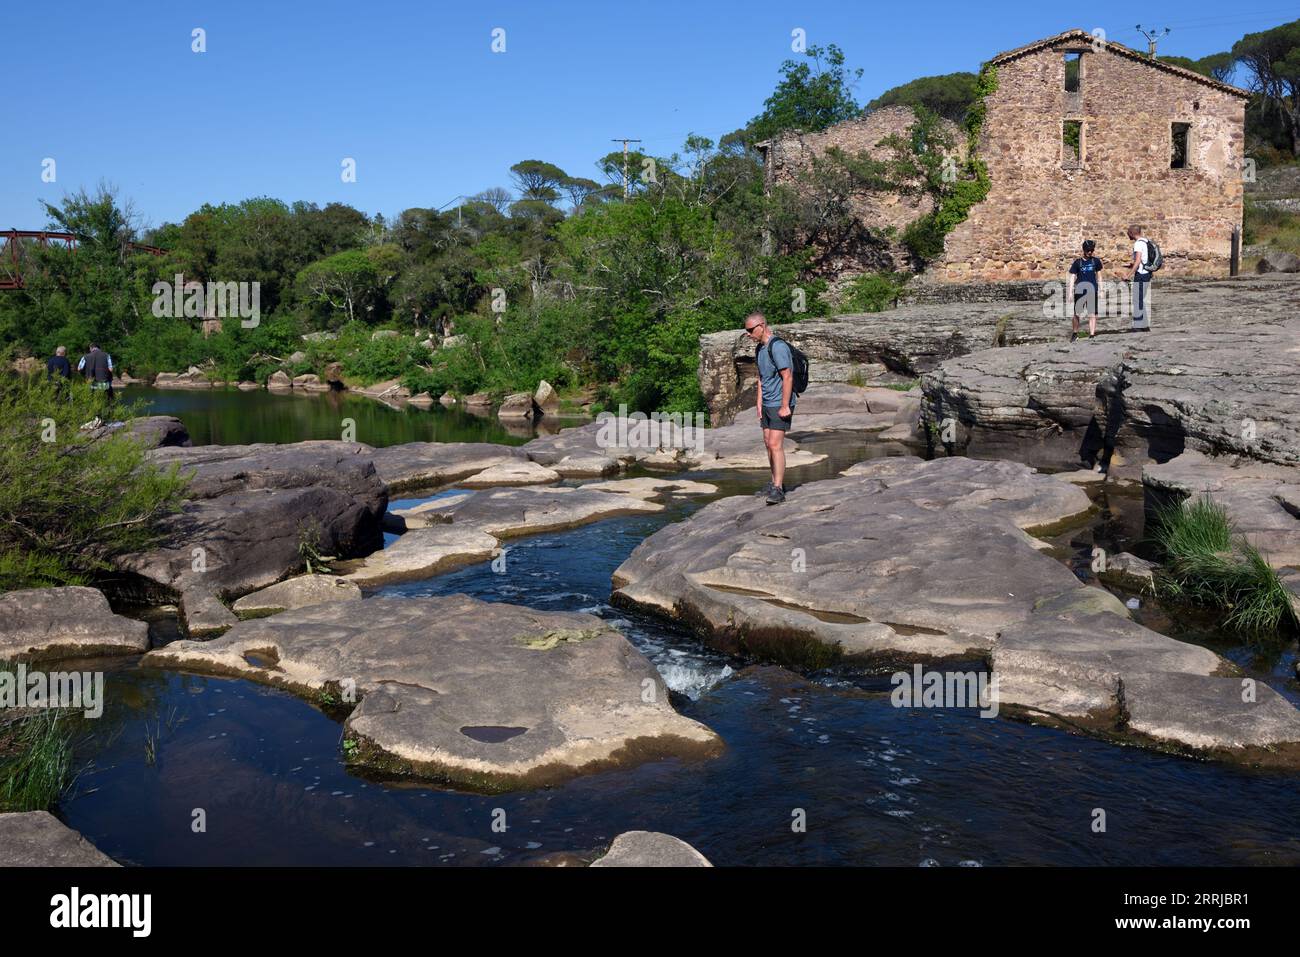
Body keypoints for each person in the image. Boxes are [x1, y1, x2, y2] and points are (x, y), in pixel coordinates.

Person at [743, 311, 795, 505]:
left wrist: (784, 406)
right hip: (766, 403)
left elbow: (787, 376)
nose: (748, 334)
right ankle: (774, 482)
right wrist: (758, 402)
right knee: (767, 443)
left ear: (761, 326)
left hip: (779, 403)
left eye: (750, 330)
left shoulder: (778, 347)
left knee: (775, 444)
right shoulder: (760, 348)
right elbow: (761, 377)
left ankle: (779, 489)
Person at [1066, 240, 1103, 342]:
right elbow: (1072, 277)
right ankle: (1075, 333)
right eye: (1088, 250)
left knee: (1092, 313)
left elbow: (1099, 276)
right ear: (1083, 250)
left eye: (1092, 250)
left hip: (1092, 290)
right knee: (1077, 313)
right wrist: (1070, 292)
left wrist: (1101, 290)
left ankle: (1092, 335)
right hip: (1080, 291)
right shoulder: (1077, 262)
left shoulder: (1096, 261)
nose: (1090, 252)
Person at [1122, 225, 1153, 332]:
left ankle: (1139, 325)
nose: (1127, 235)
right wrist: (1131, 265)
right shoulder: (1146, 241)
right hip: (1147, 273)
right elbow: (1143, 260)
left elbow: (1138, 260)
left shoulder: (1138, 244)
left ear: (1131, 233)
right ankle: (1144, 325)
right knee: (1140, 299)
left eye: (1128, 232)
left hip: (1141, 274)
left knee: (1137, 300)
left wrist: (1128, 275)